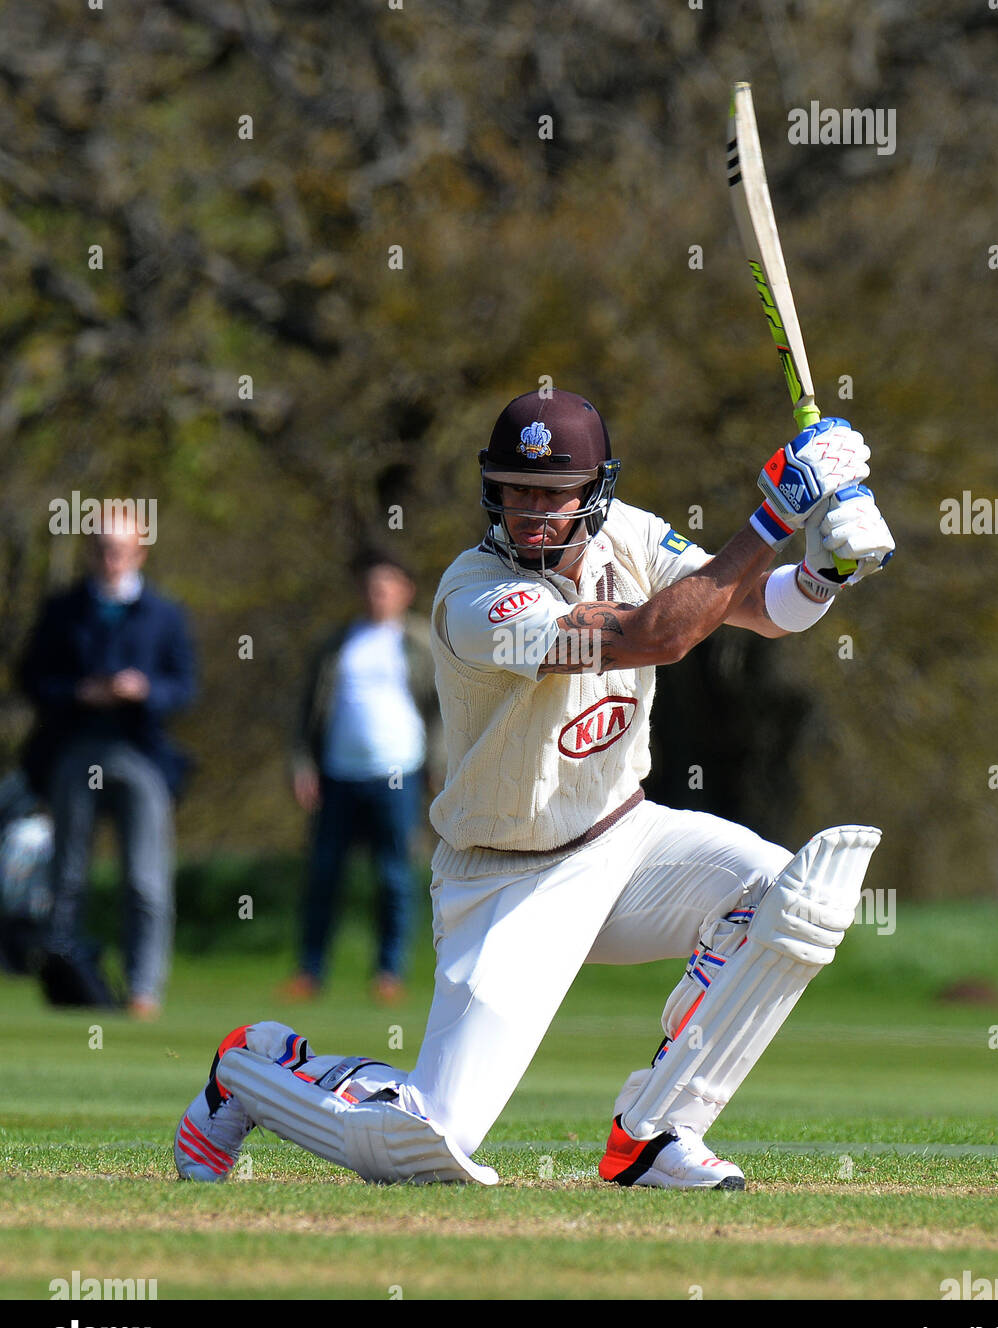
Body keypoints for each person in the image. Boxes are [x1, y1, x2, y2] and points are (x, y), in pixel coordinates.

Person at [174, 390, 893, 1189]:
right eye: (517, 490)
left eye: (554, 494)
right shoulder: (475, 598)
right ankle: (254, 1066)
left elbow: (752, 605)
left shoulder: (634, 535)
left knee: (795, 895)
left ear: (596, 490)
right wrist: (771, 518)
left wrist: (824, 573)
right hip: (506, 877)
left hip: (626, 841)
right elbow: (656, 636)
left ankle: (655, 1135)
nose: (533, 512)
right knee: (423, 1143)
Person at [20, 521, 196, 1017]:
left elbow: (184, 687)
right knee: (67, 875)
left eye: (119, 549)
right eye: (100, 549)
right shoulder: (63, 610)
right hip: (75, 748)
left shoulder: (164, 614)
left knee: (145, 879)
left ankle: (144, 989)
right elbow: (31, 679)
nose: (109, 559)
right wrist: (78, 692)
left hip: (140, 752)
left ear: (138, 553)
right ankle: (66, 980)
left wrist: (146, 690)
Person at [282, 547, 439, 1003]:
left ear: (404, 591)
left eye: (386, 586)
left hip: (399, 775)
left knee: (393, 876)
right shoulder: (335, 645)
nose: (377, 595)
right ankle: (309, 971)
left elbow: (442, 712)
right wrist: (301, 767)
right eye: (370, 587)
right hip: (337, 776)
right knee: (324, 874)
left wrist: (438, 767)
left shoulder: (421, 644)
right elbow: (305, 715)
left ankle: (388, 972)